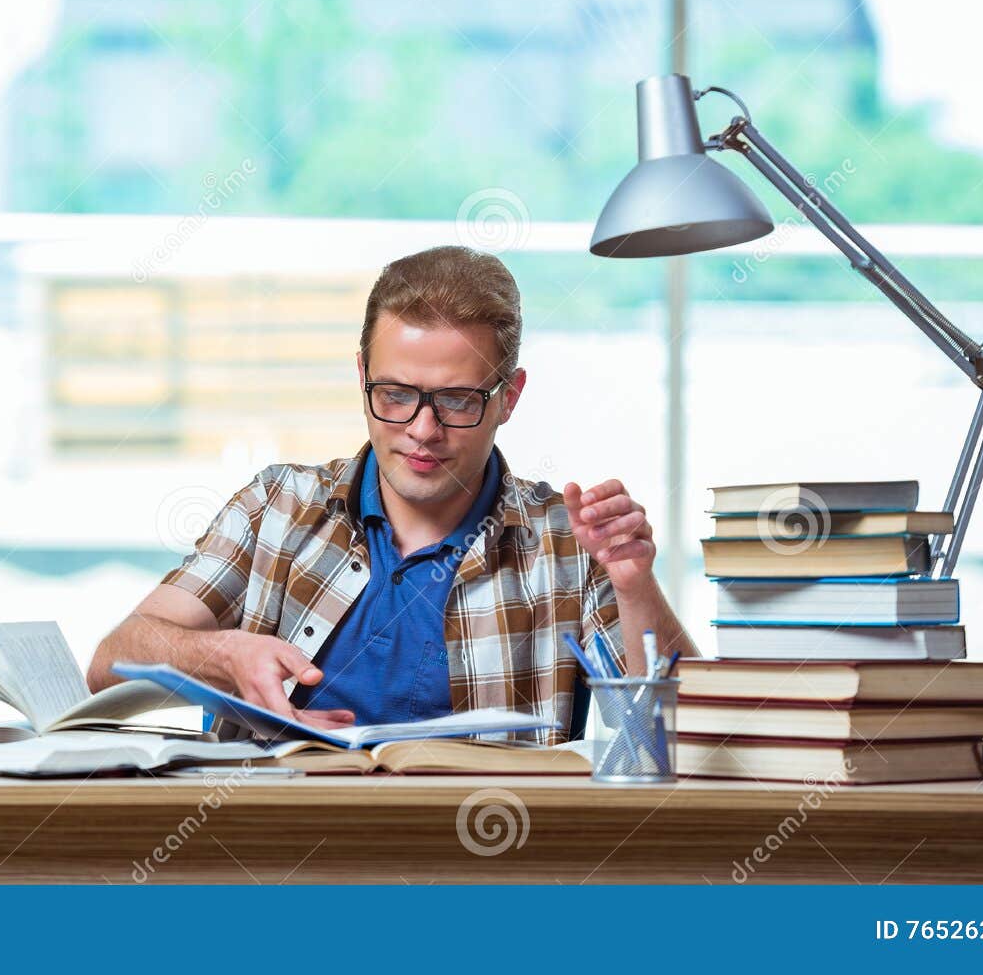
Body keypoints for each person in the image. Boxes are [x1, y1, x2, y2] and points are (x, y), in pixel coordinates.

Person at [88, 245, 696, 743]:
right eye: (396, 395)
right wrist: (226, 656)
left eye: (458, 400)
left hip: (489, 865)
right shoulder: (275, 508)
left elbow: (685, 732)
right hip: (272, 853)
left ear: (509, 397)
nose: (423, 430)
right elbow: (110, 663)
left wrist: (634, 585)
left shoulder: (565, 540)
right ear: (360, 376)